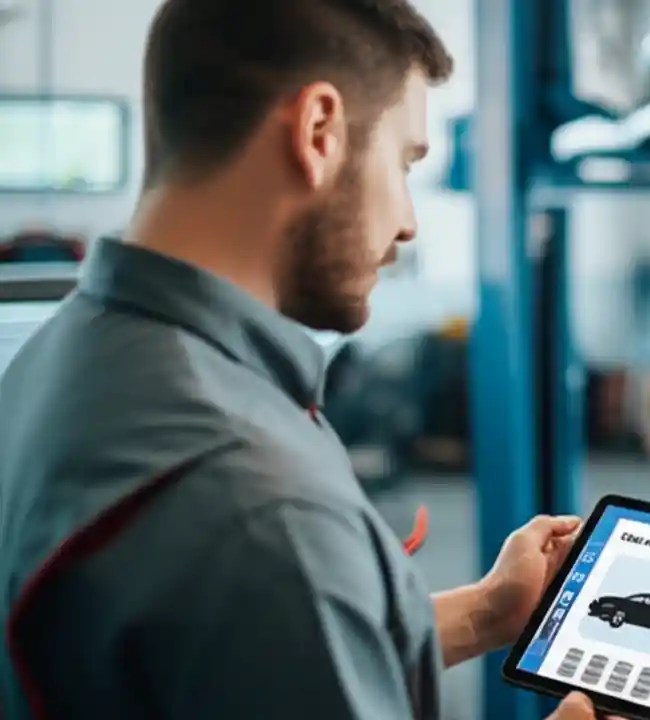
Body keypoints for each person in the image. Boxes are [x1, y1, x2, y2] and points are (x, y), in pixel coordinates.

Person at [0, 1, 615, 718]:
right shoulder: (260, 505)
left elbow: (225, 659)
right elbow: (270, 581)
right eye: (404, 161)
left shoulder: (61, 360)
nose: (409, 222)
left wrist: (485, 613)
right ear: (318, 131)